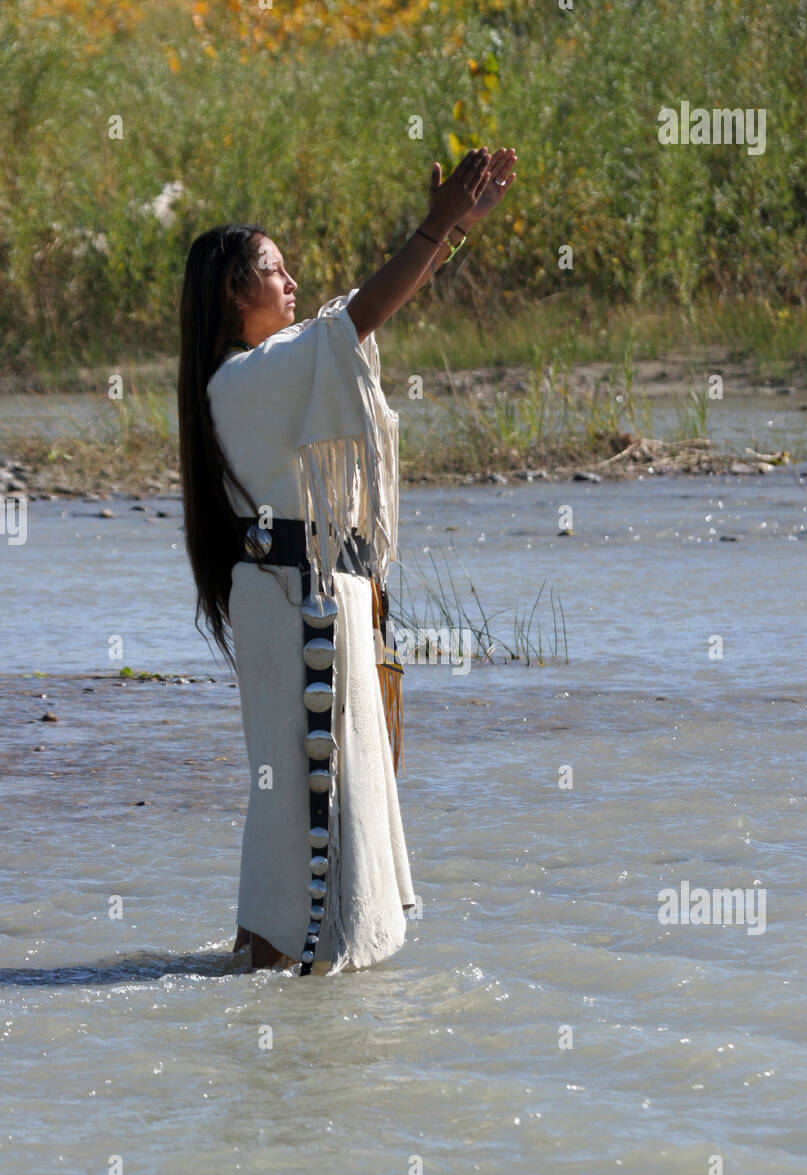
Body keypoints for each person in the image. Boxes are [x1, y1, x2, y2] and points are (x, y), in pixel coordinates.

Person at [177, 146, 516, 975]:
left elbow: (349, 324)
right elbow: (357, 319)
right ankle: (269, 963)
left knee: (310, 795)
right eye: (275, 271)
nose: (291, 284)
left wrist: (447, 238)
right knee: (301, 797)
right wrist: (437, 227)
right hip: (296, 607)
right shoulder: (240, 380)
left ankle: (277, 963)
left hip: (310, 599)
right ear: (233, 292)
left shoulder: (260, 373)